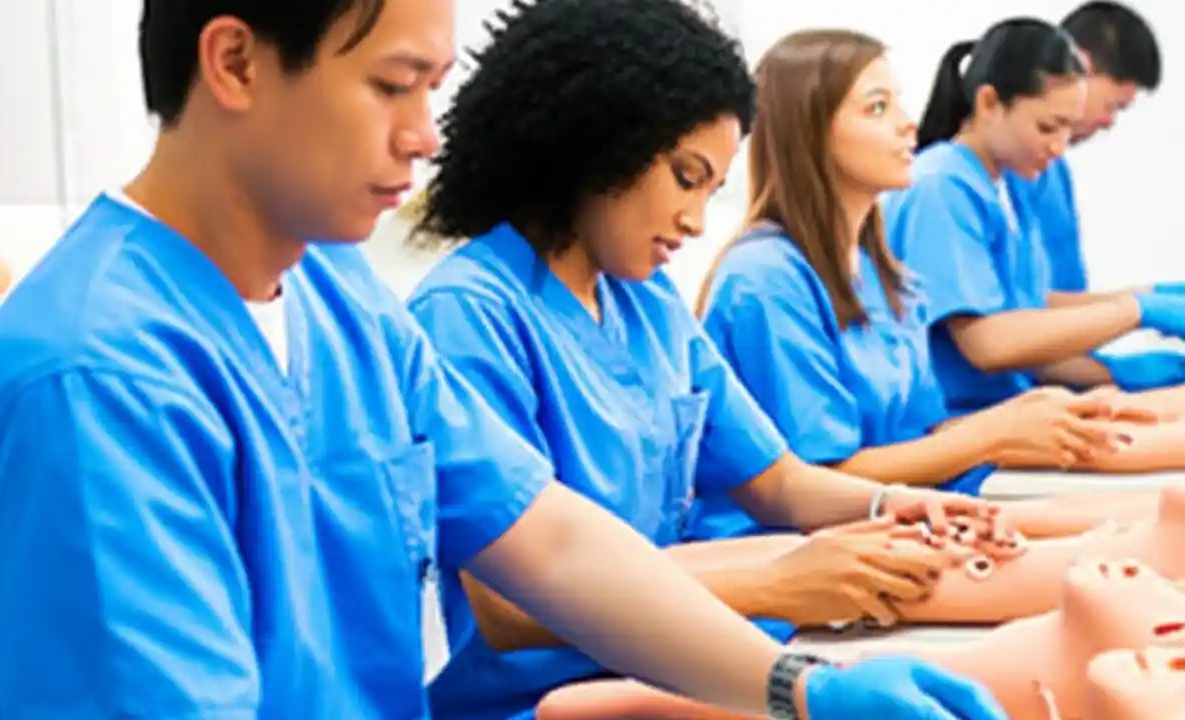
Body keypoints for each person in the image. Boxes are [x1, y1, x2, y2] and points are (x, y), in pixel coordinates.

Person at [0, 1, 1012, 719]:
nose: (427, 133)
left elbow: (551, 542)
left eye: (431, 90)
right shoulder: (94, 382)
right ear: (235, 61)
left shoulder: (342, 303)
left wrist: (795, 687)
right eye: (393, 87)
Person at [404, 6, 1015, 719]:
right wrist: (774, 583)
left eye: (711, 191)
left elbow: (779, 481)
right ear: (599, 142)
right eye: (685, 178)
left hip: (687, 660)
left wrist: (893, 504)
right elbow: (514, 601)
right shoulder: (468, 312)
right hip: (547, 696)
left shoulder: (646, 301)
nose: (696, 221)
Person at [689, 28, 1135, 549]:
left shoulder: (882, 272)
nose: (909, 125)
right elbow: (821, 479)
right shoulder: (764, 282)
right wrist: (995, 432)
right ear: (808, 129)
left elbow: (923, 435)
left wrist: (1027, 417)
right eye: (877, 108)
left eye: (899, 103)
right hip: (792, 544)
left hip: (900, 516)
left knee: (1124, 522)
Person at [882, 17, 1185, 414]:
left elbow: (1026, 313)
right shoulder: (942, 188)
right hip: (955, 431)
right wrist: (1134, 311)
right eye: (1047, 127)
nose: (1059, 148)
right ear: (989, 103)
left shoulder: (1004, 184)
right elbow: (989, 344)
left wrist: (1122, 360)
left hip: (1008, 411)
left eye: (1067, 129)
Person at [1005, 1, 1162, 296]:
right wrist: (1136, 307)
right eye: (1111, 106)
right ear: (1079, 64)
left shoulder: (1053, 169)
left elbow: (1060, 297)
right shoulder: (994, 169)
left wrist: (1143, 298)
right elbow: (1011, 313)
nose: (1108, 122)